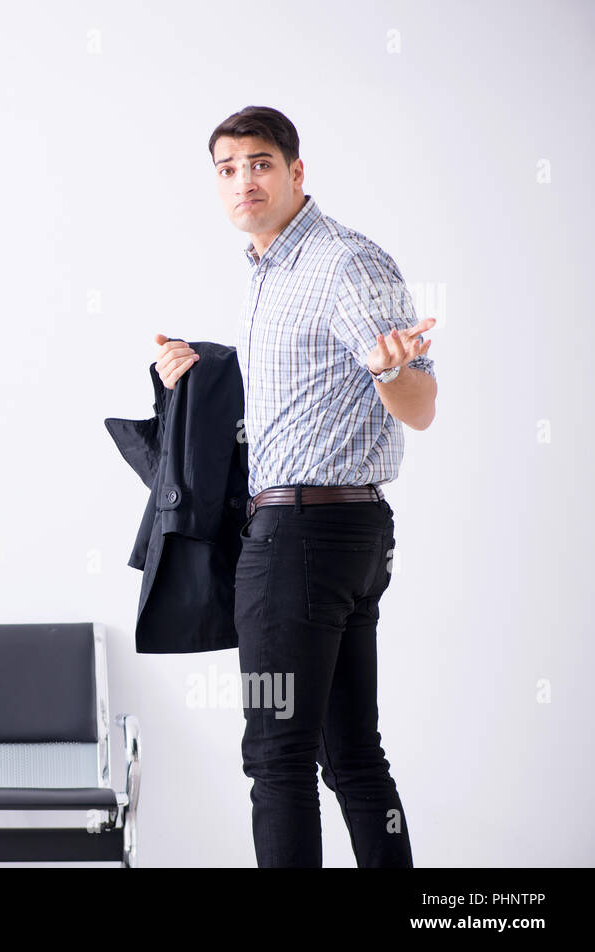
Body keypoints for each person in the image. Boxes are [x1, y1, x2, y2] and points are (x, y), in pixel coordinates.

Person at [153, 105, 435, 867]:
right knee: (349, 755)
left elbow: (421, 406)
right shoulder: (266, 272)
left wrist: (392, 370)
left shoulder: (344, 262)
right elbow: (289, 392)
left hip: (303, 538)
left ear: (295, 171)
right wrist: (198, 370)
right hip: (327, 533)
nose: (244, 180)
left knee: (277, 758)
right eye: (227, 168)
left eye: (260, 163)